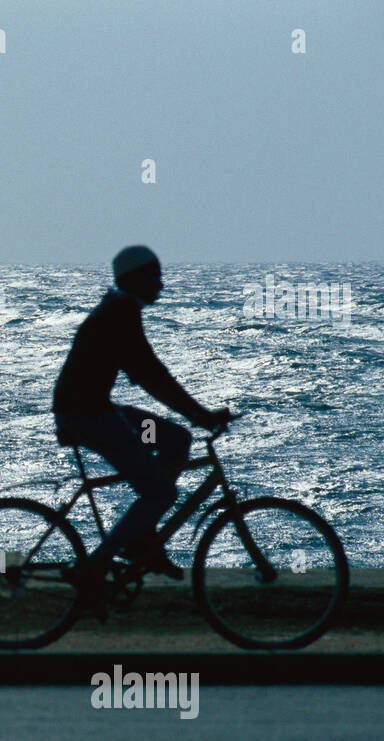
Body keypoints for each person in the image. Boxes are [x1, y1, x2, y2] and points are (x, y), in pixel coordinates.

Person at [53, 245, 230, 618]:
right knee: (162, 491)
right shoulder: (120, 314)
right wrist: (200, 414)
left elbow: (151, 373)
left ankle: (143, 535)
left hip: (97, 409)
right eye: (156, 277)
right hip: (88, 417)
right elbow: (152, 376)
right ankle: (98, 565)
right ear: (136, 279)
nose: (162, 285)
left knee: (175, 439)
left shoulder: (121, 308)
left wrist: (194, 418)